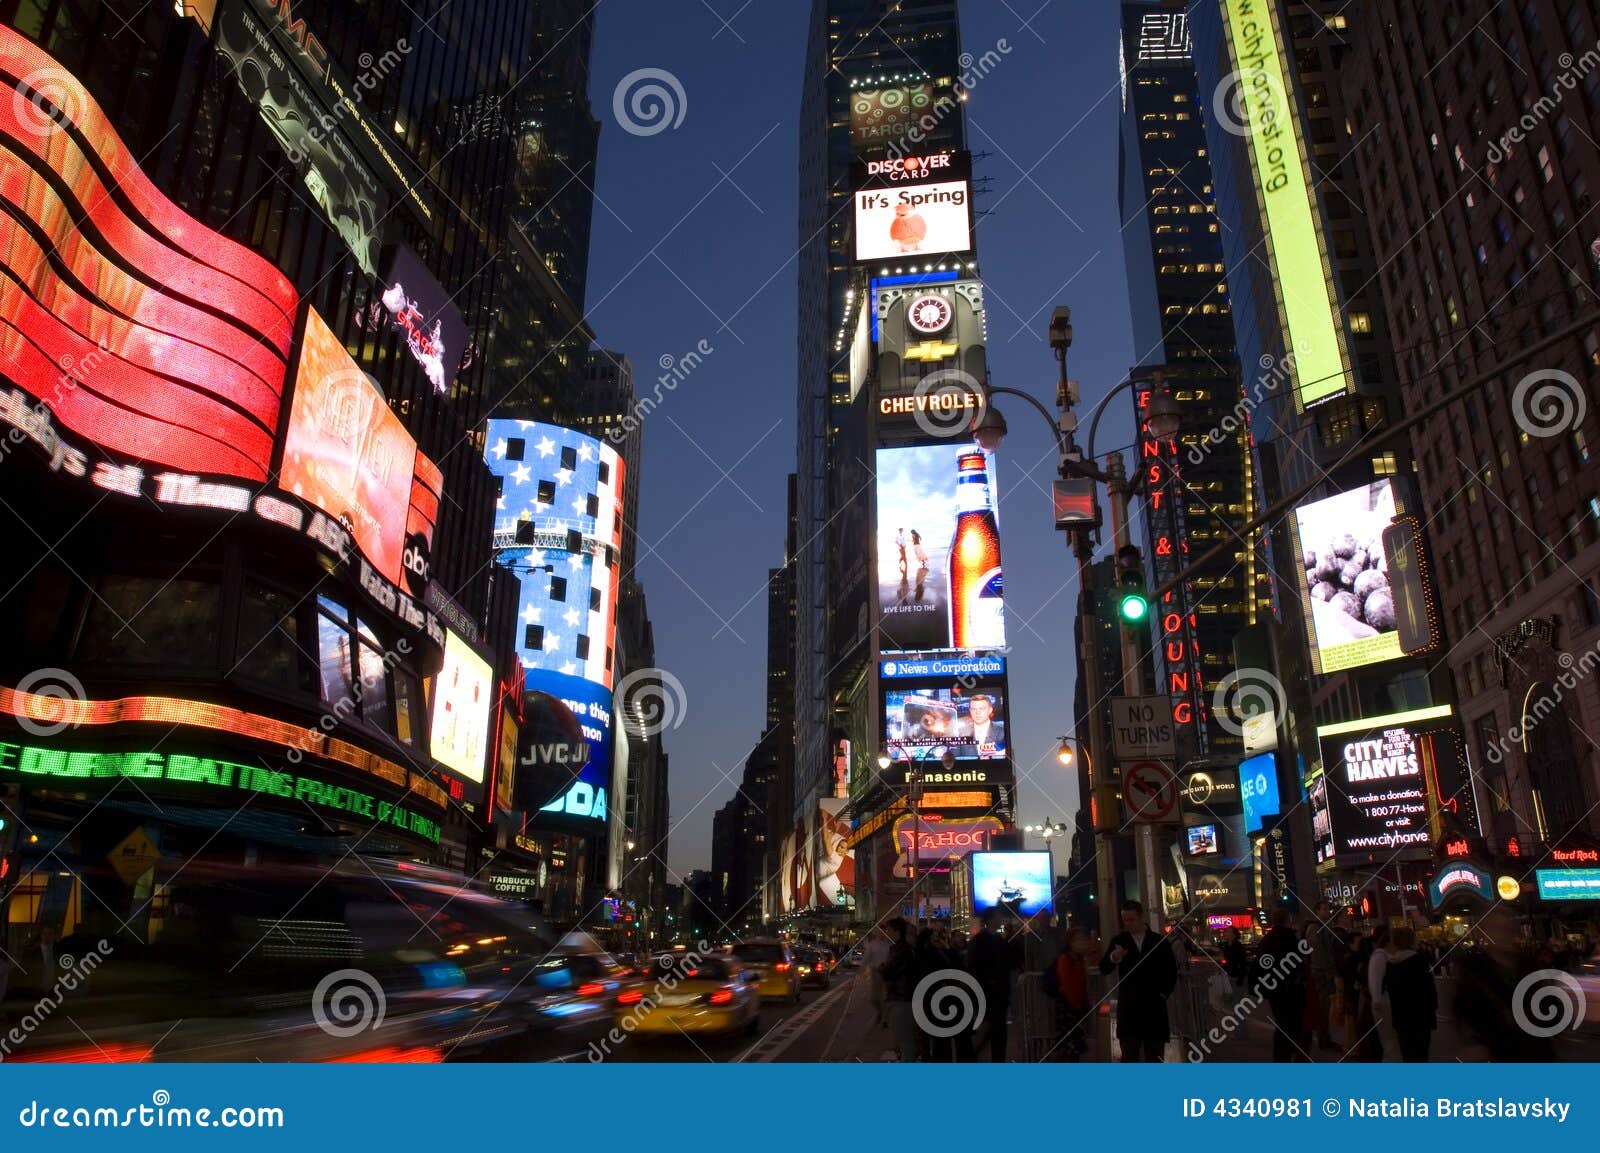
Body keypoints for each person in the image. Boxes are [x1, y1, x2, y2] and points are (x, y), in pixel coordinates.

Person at [1454, 906, 1555, 1060]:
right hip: (1499, 1051)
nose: (1500, 935)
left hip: (1535, 1049)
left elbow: (1548, 1004)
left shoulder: (1528, 964)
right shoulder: (1474, 970)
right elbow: (1465, 1010)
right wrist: (1474, 1043)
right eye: (1495, 929)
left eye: (1504, 929)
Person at [1098, 899, 1177, 1062]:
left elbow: (1170, 970)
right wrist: (1114, 957)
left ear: (1141, 917)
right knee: (1129, 1055)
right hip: (1129, 1007)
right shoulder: (1120, 940)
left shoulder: (1158, 941)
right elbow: (1104, 968)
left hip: (1154, 1007)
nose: (1128, 924)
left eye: (1132, 919)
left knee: (1155, 1056)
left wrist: (1163, 994)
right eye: (1125, 920)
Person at [966, 908, 1016, 1061]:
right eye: (998, 916)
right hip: (989, 995)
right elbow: (975, 967)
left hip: (997, 995)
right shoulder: (982, 941)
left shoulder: (998, 940)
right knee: (987, 1033)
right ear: (990, 920)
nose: (1001, 918)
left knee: (997, 1034)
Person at [1257, 908, 1307, 1062]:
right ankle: (1292, 1054)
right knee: (1294, 1023)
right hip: (1291, 988)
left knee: (1281, 1023)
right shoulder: (1290, 938)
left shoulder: (1267, 940)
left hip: (1274, 988)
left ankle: (1281, 1058)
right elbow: (1299, 962)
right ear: (1286, 920)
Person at [1383, 926, 1436, 1062]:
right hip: (1420, 1016)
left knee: (1407, 1054)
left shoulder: (1391, 964)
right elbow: (1429, 990)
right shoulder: (1419, 961)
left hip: (1401, 1017)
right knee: (1421, 1055)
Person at [1048, 925, 1093, 1061]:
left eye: (1083, 939)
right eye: (1078, 940)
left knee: (1073, 1047)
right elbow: (1068, 985)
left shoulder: (1078, 959)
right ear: (1071, 942)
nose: (1082, 942)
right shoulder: (1066, 959)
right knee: (1070, 1047)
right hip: (1069, 1008)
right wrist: (1077, 1006)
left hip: (1074, 1008)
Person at [1304, 901, 1340, 1050]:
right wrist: (1328, 968)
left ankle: (1325, 1038)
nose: (1327, 912)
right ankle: (1323, 1040)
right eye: (1324, 909)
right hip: (1320, 973)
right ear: (1317, 911)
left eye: (1328, 909)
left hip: (1324, 972)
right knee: (1323, 1008)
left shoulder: (1325, 926)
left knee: (1326, 1007)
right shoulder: (1315, 928)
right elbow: (1318, 952)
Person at [880, 918, 918, 1061]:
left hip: (901, 1000)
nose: (886, 932)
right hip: (905, 999)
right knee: (906, 1040)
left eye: (888, 929)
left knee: (905, 1041)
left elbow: (888, 972)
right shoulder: (905, 949)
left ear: (897, 931)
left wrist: (881, 967)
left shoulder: (900, 949)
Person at [913, 927, 951, 1061]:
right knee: (938, 1035)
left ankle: (928, 1058)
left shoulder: (919, 953)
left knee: (926, 1036)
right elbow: (947, 965)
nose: (937, 939)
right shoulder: (932, 953)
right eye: (935, 937)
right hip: (934, 996)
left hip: (926, 996)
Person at [1366, 923, 1396, 1060]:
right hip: (1383, 1005)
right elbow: (1375, 981)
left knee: (1391, 1042)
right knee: (1389, 1043)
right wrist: (1377, 1000)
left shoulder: (1385, 956)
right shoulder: (1379, 957)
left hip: (1385, 1003)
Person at [862, 927, 891, 1029]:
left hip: (886, 973)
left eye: (884, 931)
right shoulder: (872, 945)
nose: (882, 933)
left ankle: (884, 1019)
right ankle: (880, 1013)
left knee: (883, 997)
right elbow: (866, 958)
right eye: (880, 931)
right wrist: (861, 970)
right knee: (873, 998)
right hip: (874, 972)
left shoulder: (889, 945)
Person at [1222, 928, 1249, 995]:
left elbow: (1242, 963)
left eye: (1227, 932)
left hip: (1236, 976)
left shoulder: (1238, 946)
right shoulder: (1226, 946)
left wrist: (1241, 978)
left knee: (1237, 998)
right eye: (1225, 932)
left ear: (1233, 935)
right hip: (1229, 976)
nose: (1225, 933)